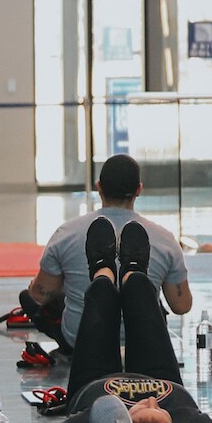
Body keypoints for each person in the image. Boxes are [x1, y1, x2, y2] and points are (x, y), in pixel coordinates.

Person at [24, 152, 191, 358]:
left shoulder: (66, 234)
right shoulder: (165, 239)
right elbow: (182, 305)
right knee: (152, 300)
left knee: (32, 296)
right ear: (139, 190)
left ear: (98, 187)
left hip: (81, 341)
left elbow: (39, 295)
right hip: (142, 343)